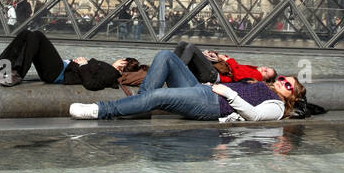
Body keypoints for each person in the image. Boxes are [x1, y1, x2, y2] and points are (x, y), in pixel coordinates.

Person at [69, 49, 302, 122]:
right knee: (166, 56)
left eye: (288, 85)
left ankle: (102, 110)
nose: (282, 83)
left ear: (292, 98)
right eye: (283, 79)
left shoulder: (278, 107)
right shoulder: (264, 86)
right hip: (206, 90)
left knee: (159, 95)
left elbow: (254, 115)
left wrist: (228, 92)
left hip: (211, 104)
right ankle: (139, 106)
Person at [0, 27, 146, 90]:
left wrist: (83, 65)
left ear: (122, 64)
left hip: (59, 73)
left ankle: (16, 73)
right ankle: (6, 68)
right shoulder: (109, 70)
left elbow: (92, 84)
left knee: (37, 35)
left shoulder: (111, 73)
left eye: (121, 59)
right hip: (62, 67)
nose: (118, 59)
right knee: (27, 34)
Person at [170, 41, 277, 84]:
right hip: (211, 71)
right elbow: (233, 67)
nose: (264, 69)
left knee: (190, 47)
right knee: (183, 44)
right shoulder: (254, 69)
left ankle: (174, 71)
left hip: (213, 75)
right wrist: (219, 57)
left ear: (265, 80)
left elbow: (238, 76)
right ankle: (171, 69)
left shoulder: (256, 76)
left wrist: (228, 59)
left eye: (266, 73)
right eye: (266, 68)